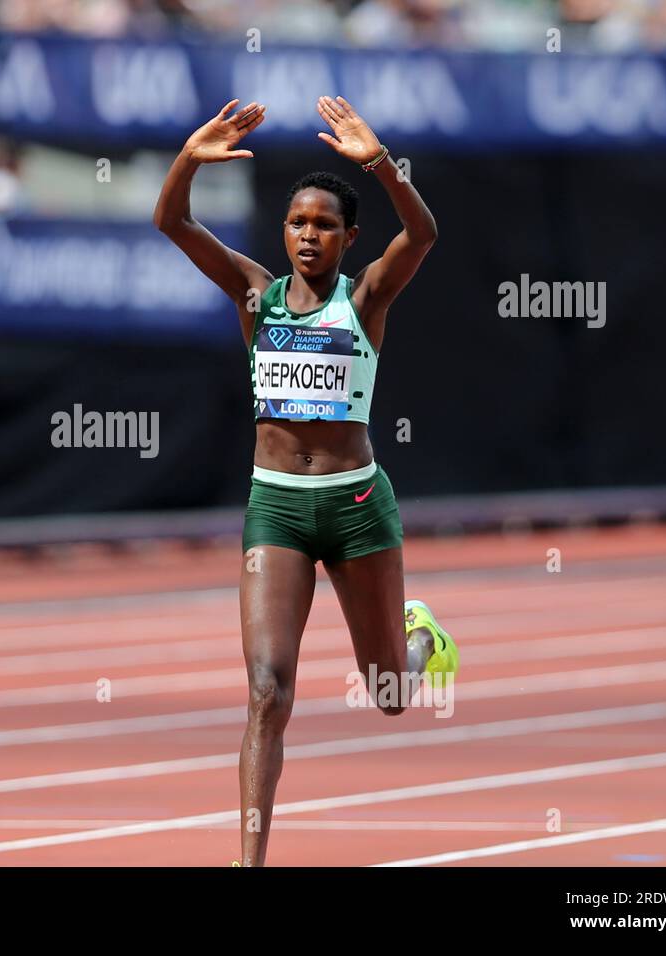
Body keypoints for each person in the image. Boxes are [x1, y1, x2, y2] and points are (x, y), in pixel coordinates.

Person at [152, 95, 460, 866]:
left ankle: (424, 639)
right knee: (267, 691)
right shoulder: (254, 295)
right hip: (277, 511)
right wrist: (189, 157)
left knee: (388, 696)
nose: (308, 236)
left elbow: (424, 233)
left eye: (324, 224)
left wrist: (381, 163)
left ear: (348, 237)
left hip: (356, 508)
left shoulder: (367, 297)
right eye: (297, 223)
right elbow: (173, 225)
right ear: (282, 232)